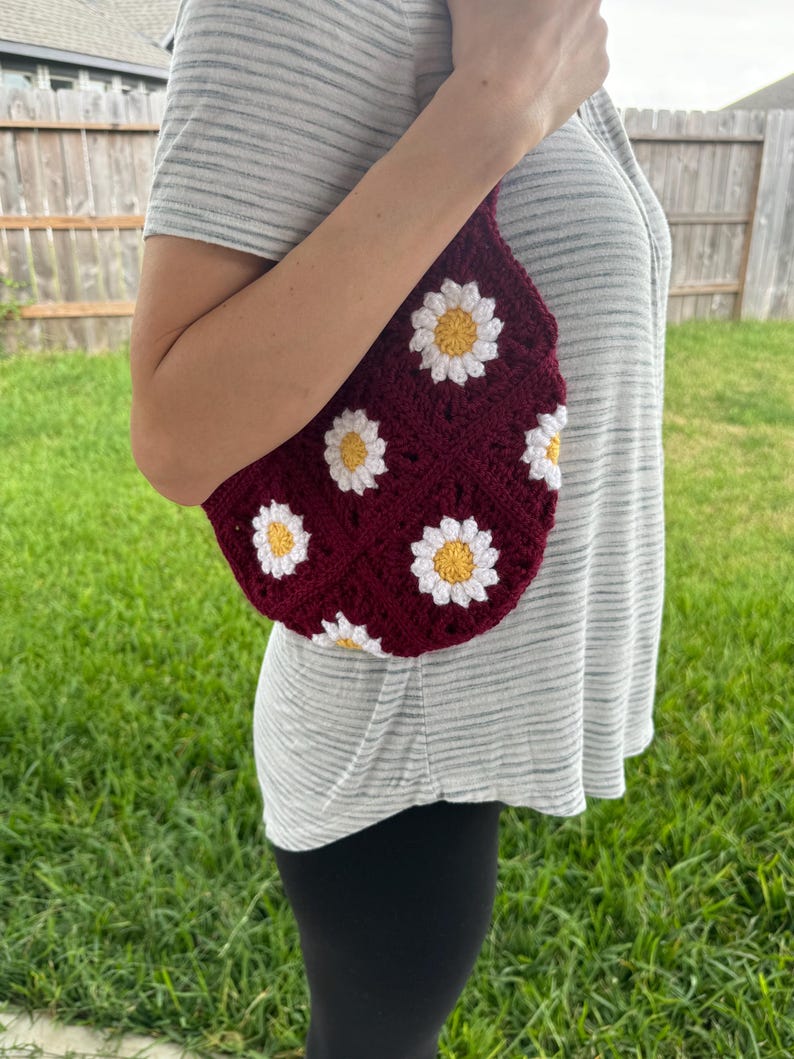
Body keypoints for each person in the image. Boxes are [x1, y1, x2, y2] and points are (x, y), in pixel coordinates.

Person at [130, 0, 672, 1055]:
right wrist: (492, 109)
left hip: (470, 685)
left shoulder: (542, 20)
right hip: (396, 722)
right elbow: (177, 434)